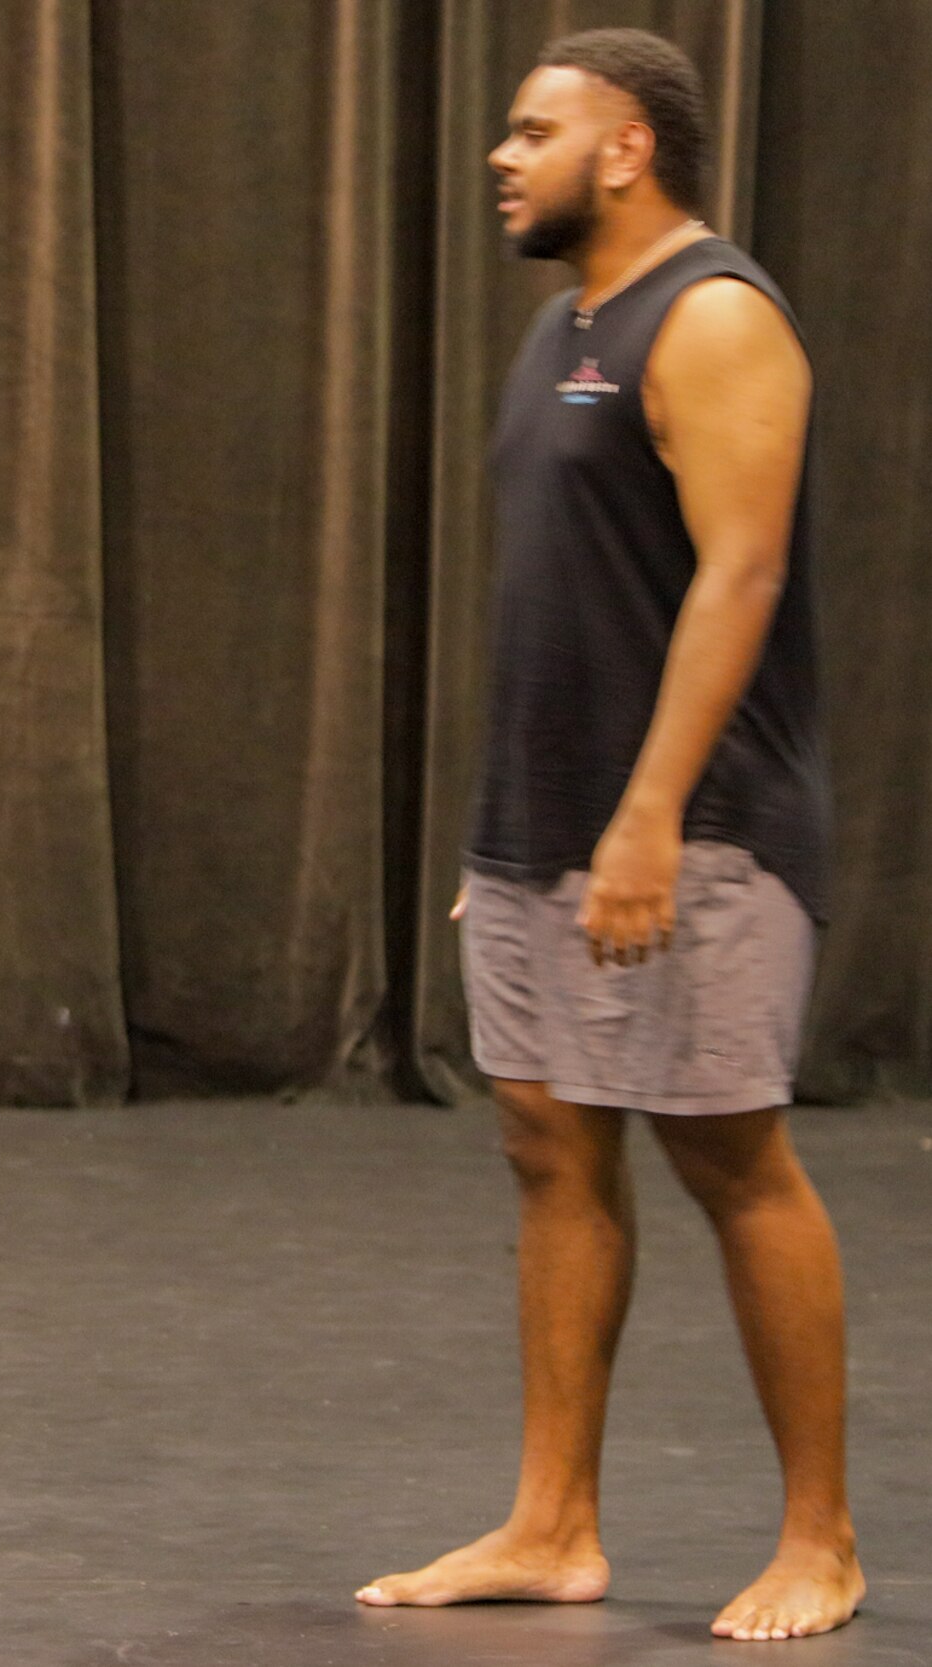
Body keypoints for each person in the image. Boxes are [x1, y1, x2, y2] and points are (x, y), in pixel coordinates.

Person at [354, 31, 861, 1642]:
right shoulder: (564, 326)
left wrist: (647, 814)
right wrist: (507, 834)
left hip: (694, 823)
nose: (503, 157)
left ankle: (822, 1539)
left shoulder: (711, 317)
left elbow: (740, 576)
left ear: (628, 147)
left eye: (533, 131)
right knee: (549, 1144)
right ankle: (553, 1521)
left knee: (729, 1151)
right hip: (543, 828)